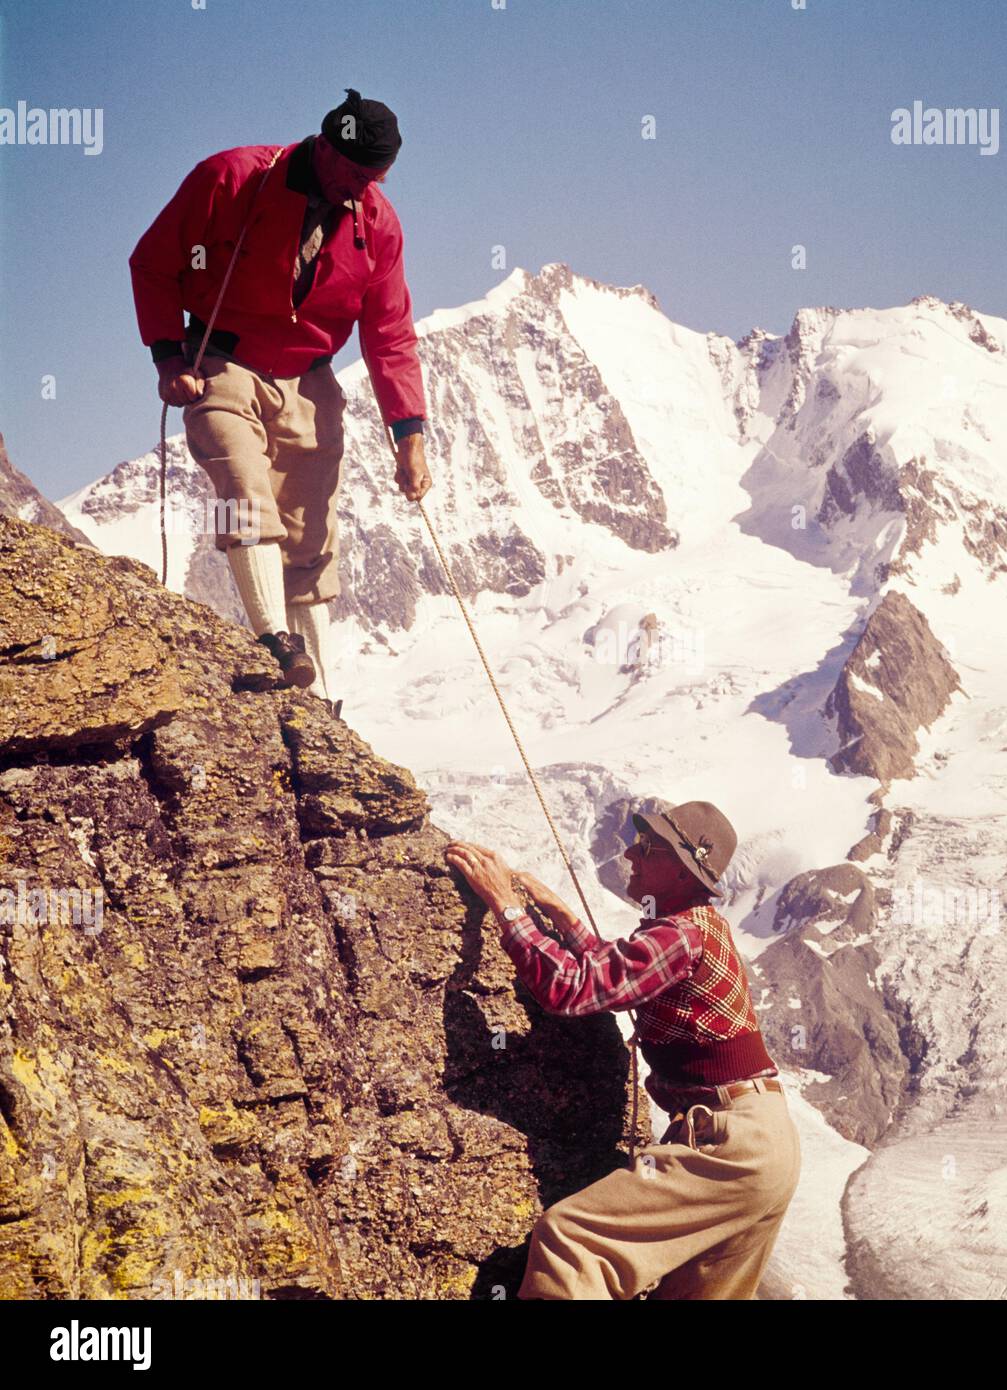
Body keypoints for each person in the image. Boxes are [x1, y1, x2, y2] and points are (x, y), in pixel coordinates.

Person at [129, 88, 432, 710]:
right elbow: (154, 262)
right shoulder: (231, 177)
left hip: (309, 380)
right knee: (241, 484)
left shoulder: (378, 223)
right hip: (224, 359)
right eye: (356, 174)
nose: (363, 190)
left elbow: (390, 333)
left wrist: (410, 436)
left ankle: (319, 695)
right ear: (327, 147)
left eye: (375, 179)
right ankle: (274, 639)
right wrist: (168, 358)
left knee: (310, 533)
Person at [446, 800, 801, 1300]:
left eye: (648, 847)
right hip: (764, 1143)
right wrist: (563, 917)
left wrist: (506, 906)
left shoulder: (680, 934)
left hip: (731, 1142)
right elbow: (623, 972)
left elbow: (570, 989)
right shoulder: (697, 927)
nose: (631, 854)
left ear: (682, 871)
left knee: (571, 1242)